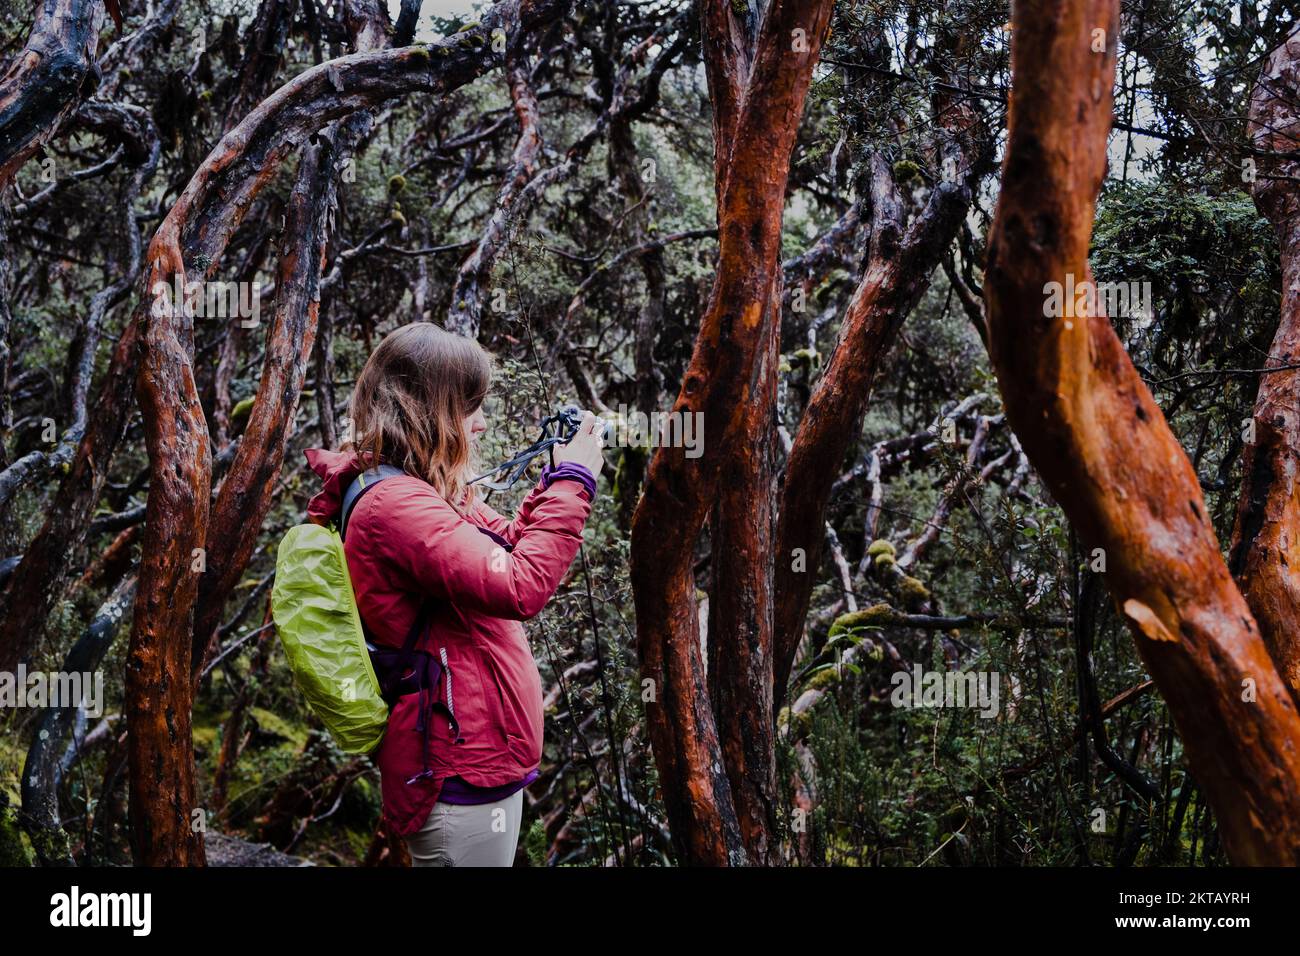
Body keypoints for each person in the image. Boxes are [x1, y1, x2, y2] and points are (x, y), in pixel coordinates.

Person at [302, 322, 605, 866]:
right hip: (457, 767)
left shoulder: (419, 489)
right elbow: (520, 585)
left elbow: (504, 547)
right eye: (470, 408)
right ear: (429, 409)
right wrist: (575, 483)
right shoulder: (394, 506)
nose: (482, 423)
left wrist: (555, 476)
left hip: (476, 760)